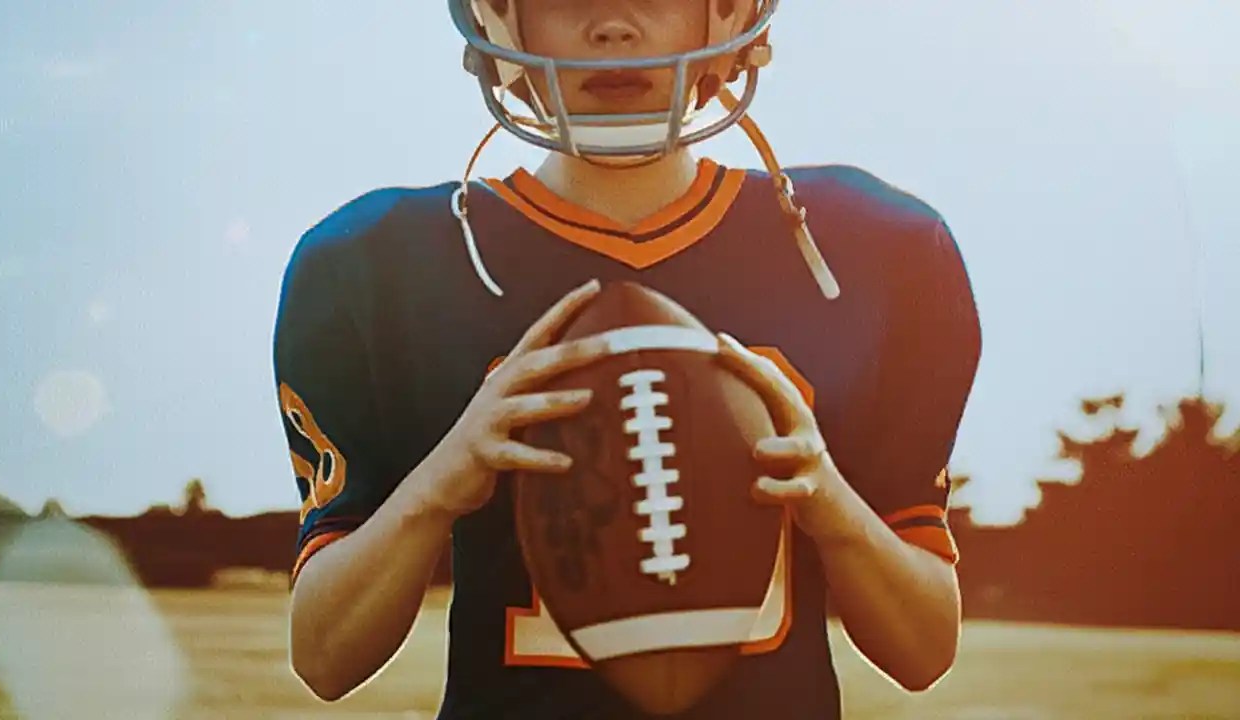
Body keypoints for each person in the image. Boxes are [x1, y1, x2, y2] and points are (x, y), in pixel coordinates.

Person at [272, 1, 982, 718]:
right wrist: (442, 481)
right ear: (501, 22)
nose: (612, 25)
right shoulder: (381, 266)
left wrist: (830, 504)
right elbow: (326, 657)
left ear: (726, 14)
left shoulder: (872, 251)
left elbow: (922, 652)